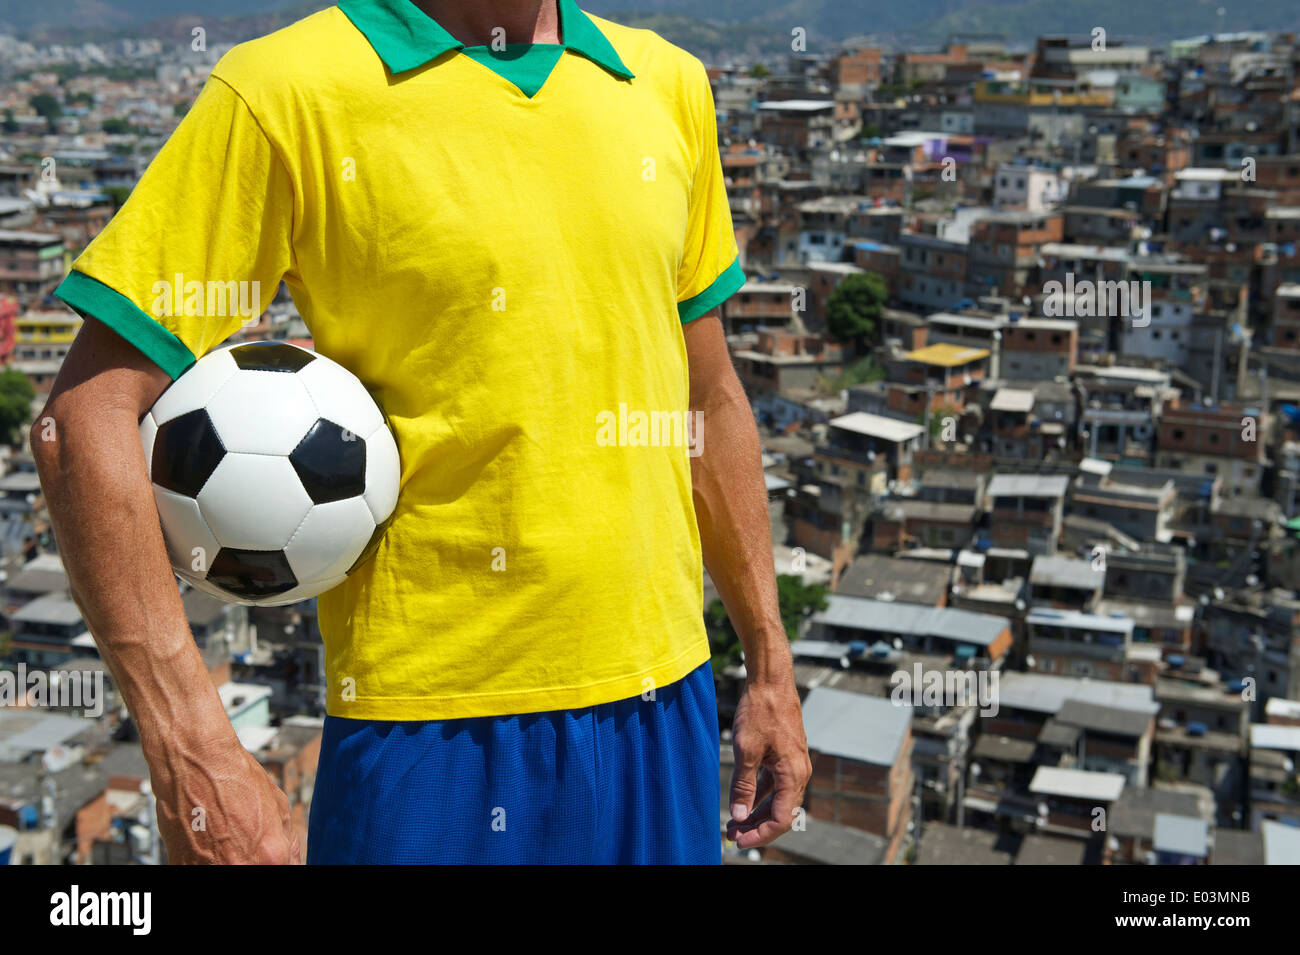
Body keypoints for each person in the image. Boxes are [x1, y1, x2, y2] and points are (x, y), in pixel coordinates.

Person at [33, 0, 810, 864]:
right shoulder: (286, 91)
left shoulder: (666, 82)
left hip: (665, 700)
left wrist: (769, 661)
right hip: (428, 731)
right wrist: (194, 751)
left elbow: (707, 399)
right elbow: (83, 420)